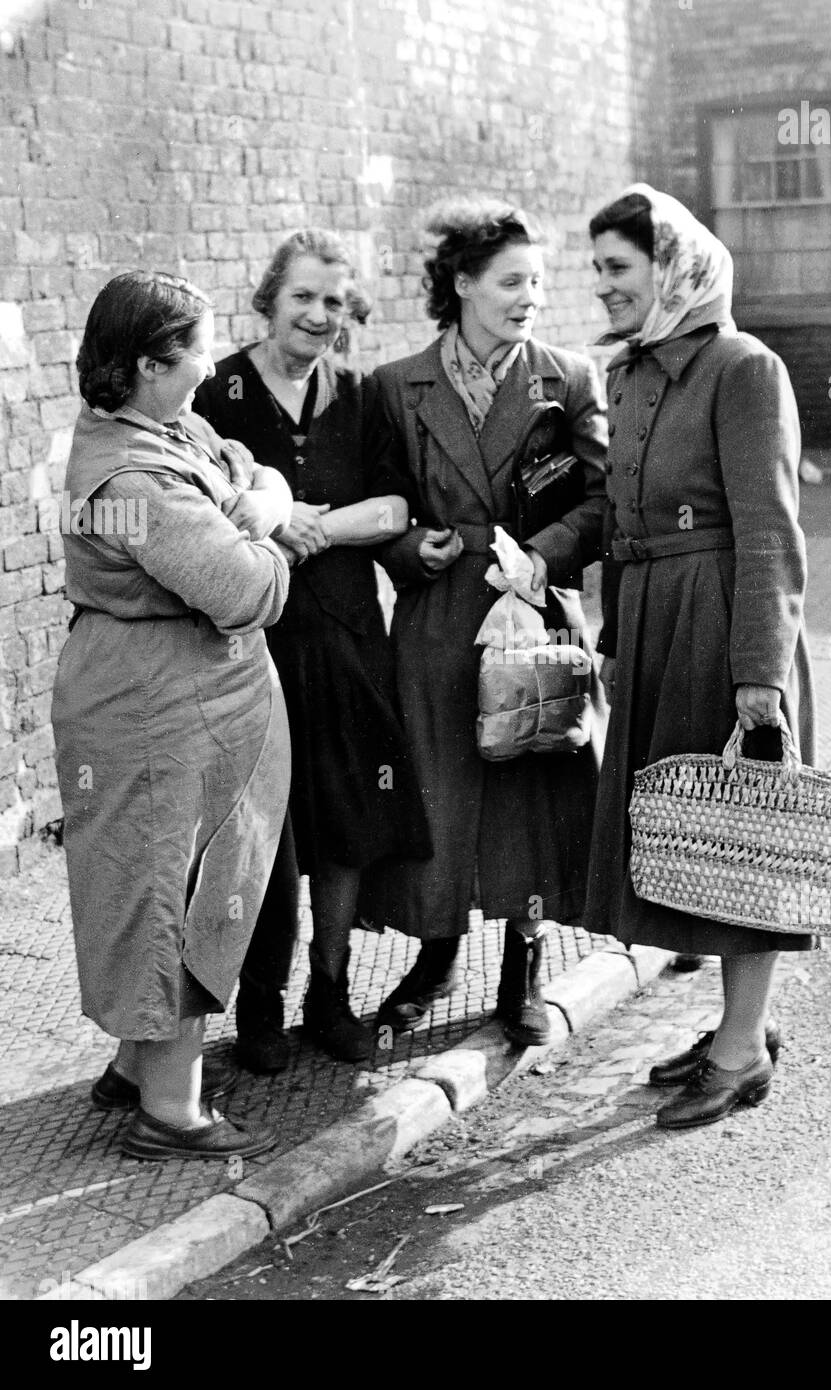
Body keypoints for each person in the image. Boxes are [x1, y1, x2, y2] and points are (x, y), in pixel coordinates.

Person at [585, 184, 817, 1130]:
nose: (601, 287)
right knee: (690, 835)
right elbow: (614, 521)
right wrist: (608, 640)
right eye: (595, 268)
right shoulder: (631, 372)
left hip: (723, 622)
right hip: (650, 622)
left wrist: (758, 671)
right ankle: (735, 1030)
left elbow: (769, 526)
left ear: (671, 268)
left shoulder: (742, 368)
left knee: (741, 832)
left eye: (617, 268)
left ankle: (741, 1048)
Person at [52, 270, 293, 1159]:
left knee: (153, 878)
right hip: (157, 704)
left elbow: (243, 465)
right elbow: (245, 588)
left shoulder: (155, 429)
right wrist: (268, 519)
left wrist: (253, 497)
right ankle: (171, 1111)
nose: (211, 366)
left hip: (164, 695)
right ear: (155, 362)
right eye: (198, 349)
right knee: (174, 889)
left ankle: (134, 1065)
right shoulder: (134, 475)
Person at [368, 200, 607, 1046]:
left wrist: (541, 555)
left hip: (532, 607)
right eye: (511, 281)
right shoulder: (395, 386)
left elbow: (599, 498)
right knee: (437, 786)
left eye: (538, 281)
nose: (529, 296)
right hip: (439, 615)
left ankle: (524, 966)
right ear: (462, 284)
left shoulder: (567, 377)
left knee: (528, 782)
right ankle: (435, 956)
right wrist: (405, 549)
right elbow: (381, 501)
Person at [194, 229, 430, 1072]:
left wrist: (308, 524)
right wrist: (271, 517)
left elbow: (395, 508)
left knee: (344, 826)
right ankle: (258, 1008)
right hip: (249, 643)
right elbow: (201, 507)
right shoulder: (218, 390)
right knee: (258, 832)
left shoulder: (359, 395)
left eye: (334, 301)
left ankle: (327, 996)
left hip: (344, 637)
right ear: (269, 300)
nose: (318, 315)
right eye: (302, 297)